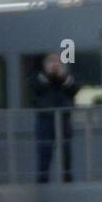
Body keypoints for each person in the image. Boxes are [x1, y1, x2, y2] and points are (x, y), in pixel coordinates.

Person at [29, 53, 78, 183]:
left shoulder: (66, 79)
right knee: (44, 152)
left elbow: (74, 89)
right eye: (51, 62)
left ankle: (67, 179)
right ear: (45, 65)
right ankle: (43, 180)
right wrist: (48, 76)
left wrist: (62, 77)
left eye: (57, 62)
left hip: (63, 120)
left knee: (66, 152)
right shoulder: (38, 78)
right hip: (45, 120)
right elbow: (36, 89)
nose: (54, 65)